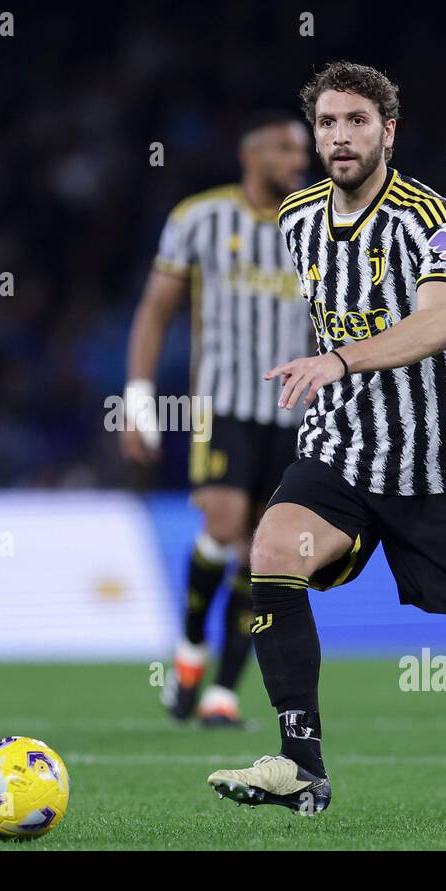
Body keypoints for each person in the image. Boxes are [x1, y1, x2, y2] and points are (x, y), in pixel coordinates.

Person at [206, 61, 446, 830]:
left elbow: (443, 322)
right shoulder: (297, 217)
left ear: (388, 132)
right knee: (270, 550)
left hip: (437, 462)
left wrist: (338, 358)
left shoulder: (426, 214)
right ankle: (301, 764)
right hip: (341, 449)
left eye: (358, 122)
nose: (341, 136)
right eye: (329, 123)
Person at [122, 112, 313, 726]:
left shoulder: (316, 226)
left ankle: (223, 692)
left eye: (302, 150)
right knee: (224, 523)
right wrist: (138, 399)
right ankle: (189, 647)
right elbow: (156, 310)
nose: (300, 160)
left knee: (265, 553)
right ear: (250, 154)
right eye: (287, 149)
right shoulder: (199, 218)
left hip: (294, 414)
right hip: (222, 404)